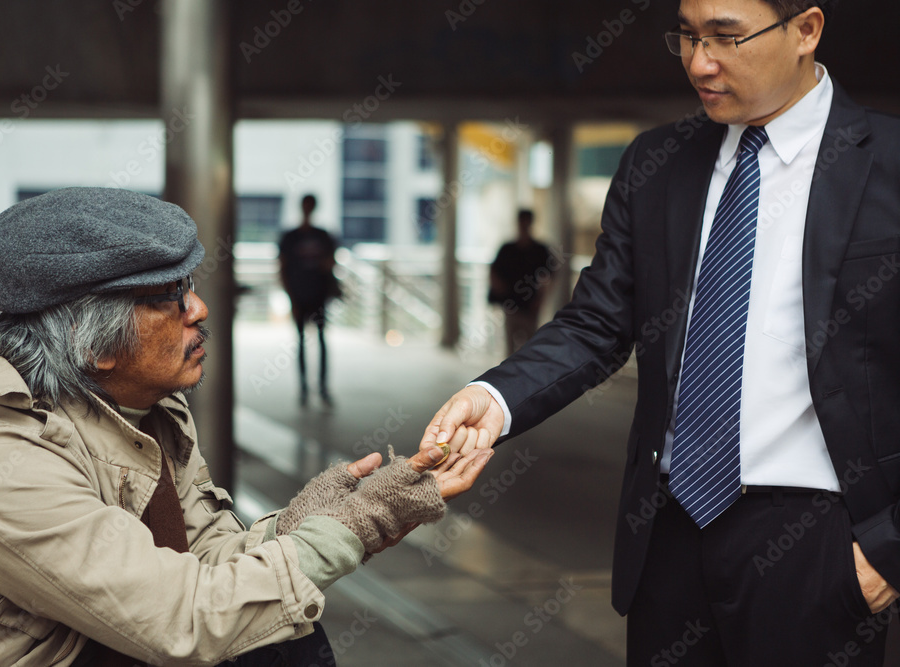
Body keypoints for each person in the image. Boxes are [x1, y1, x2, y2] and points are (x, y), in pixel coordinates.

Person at [420, 2, 900, 665]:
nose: (700, 62)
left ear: (807, 31)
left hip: (819, 543)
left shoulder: (889, 164)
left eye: (727, 37)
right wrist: (495, 399)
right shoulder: (658, 162)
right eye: (688, 36)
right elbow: (596, 324)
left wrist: (889, 551)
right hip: (668, 536)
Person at [0, 187, 493, 666]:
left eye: (189, 286)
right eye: (168, 296)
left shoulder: (140, 407)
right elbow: (184, 622)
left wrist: (306, 522)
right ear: (95, 343)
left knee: (277, 633)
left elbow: (199, 559)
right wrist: (353, 528)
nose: (198, 309)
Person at [278, 194, 339, 407]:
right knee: (302, 340)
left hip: (318, 295)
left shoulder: (323, 236)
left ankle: (321, 387)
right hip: (300, 296)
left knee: (320, 340)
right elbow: (282, 268)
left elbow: (331, 264)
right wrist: (290, 296)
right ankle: (304, 387)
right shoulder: (291, 237)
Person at [489, 209, 554, 354]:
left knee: (529, 348)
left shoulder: (539, 250)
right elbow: (493, 270)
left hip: (530, 306)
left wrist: (540, 300)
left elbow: (548, 278)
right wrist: (499, 290)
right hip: (511, 304)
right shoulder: (508, 249)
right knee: (510, 348)